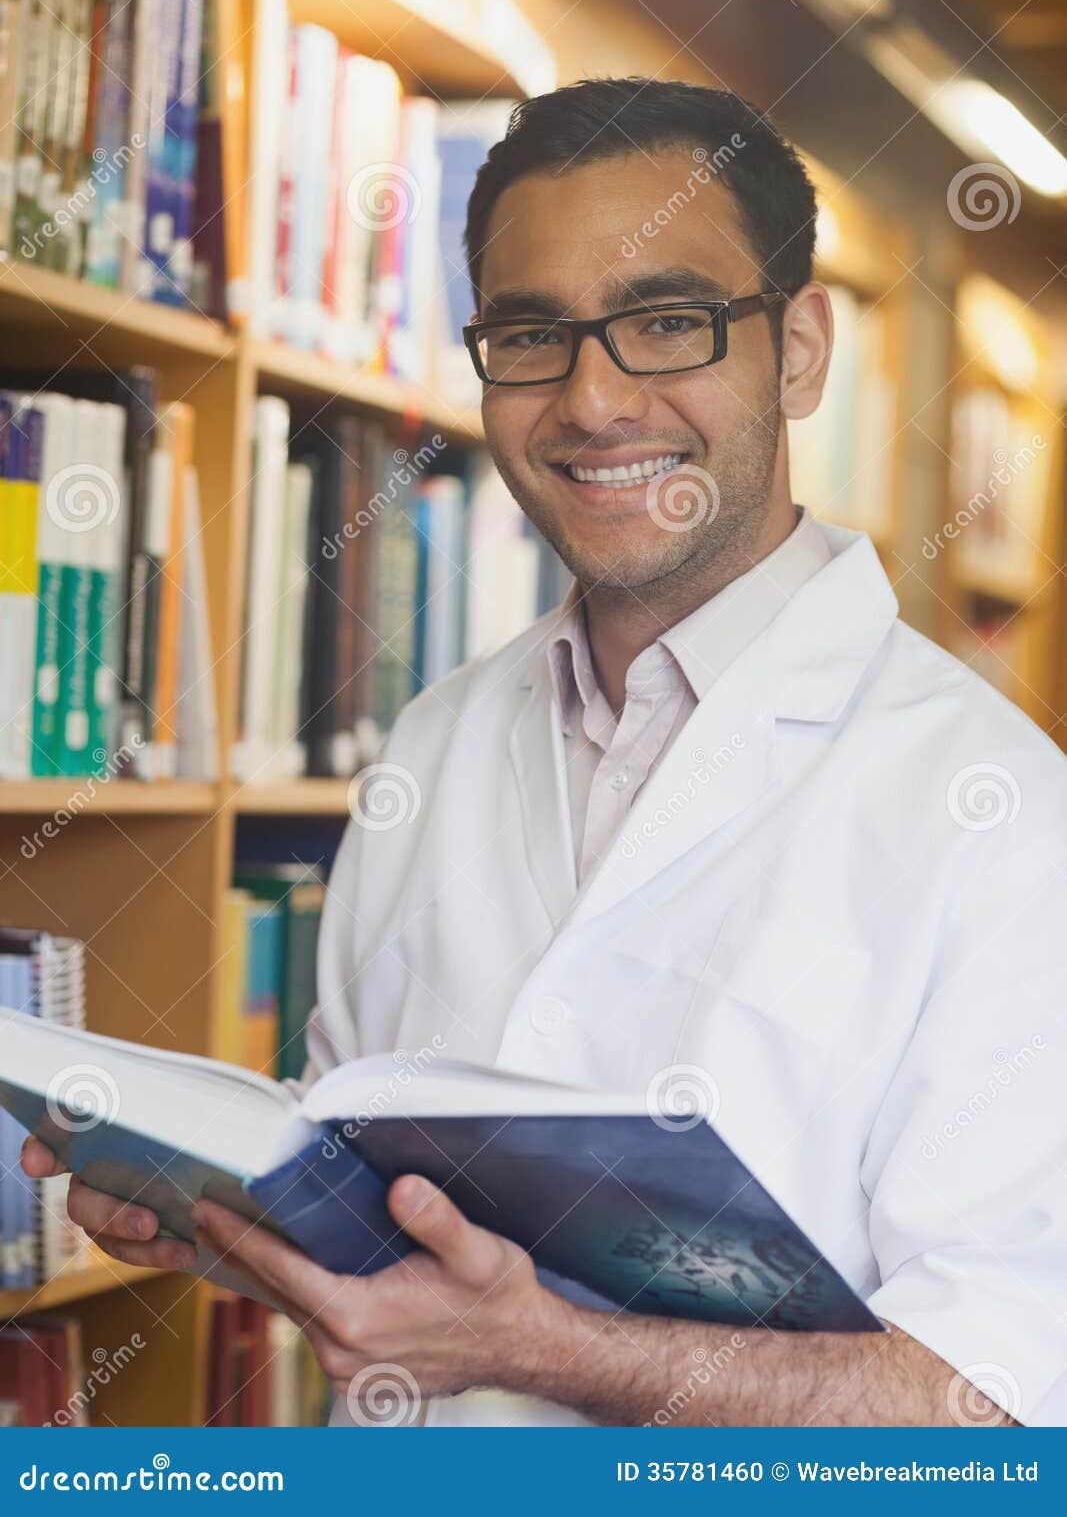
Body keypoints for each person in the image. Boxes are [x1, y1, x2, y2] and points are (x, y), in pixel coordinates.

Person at [24, 79, 1067, 1428]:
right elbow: (394, 1239)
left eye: (667, 322)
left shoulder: (1006, 820)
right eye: (530, 334)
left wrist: (548, 1346)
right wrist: (229, 1217)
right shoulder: (436, 742)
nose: (591, 398)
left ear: (800, 349)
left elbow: (1000, 1400)